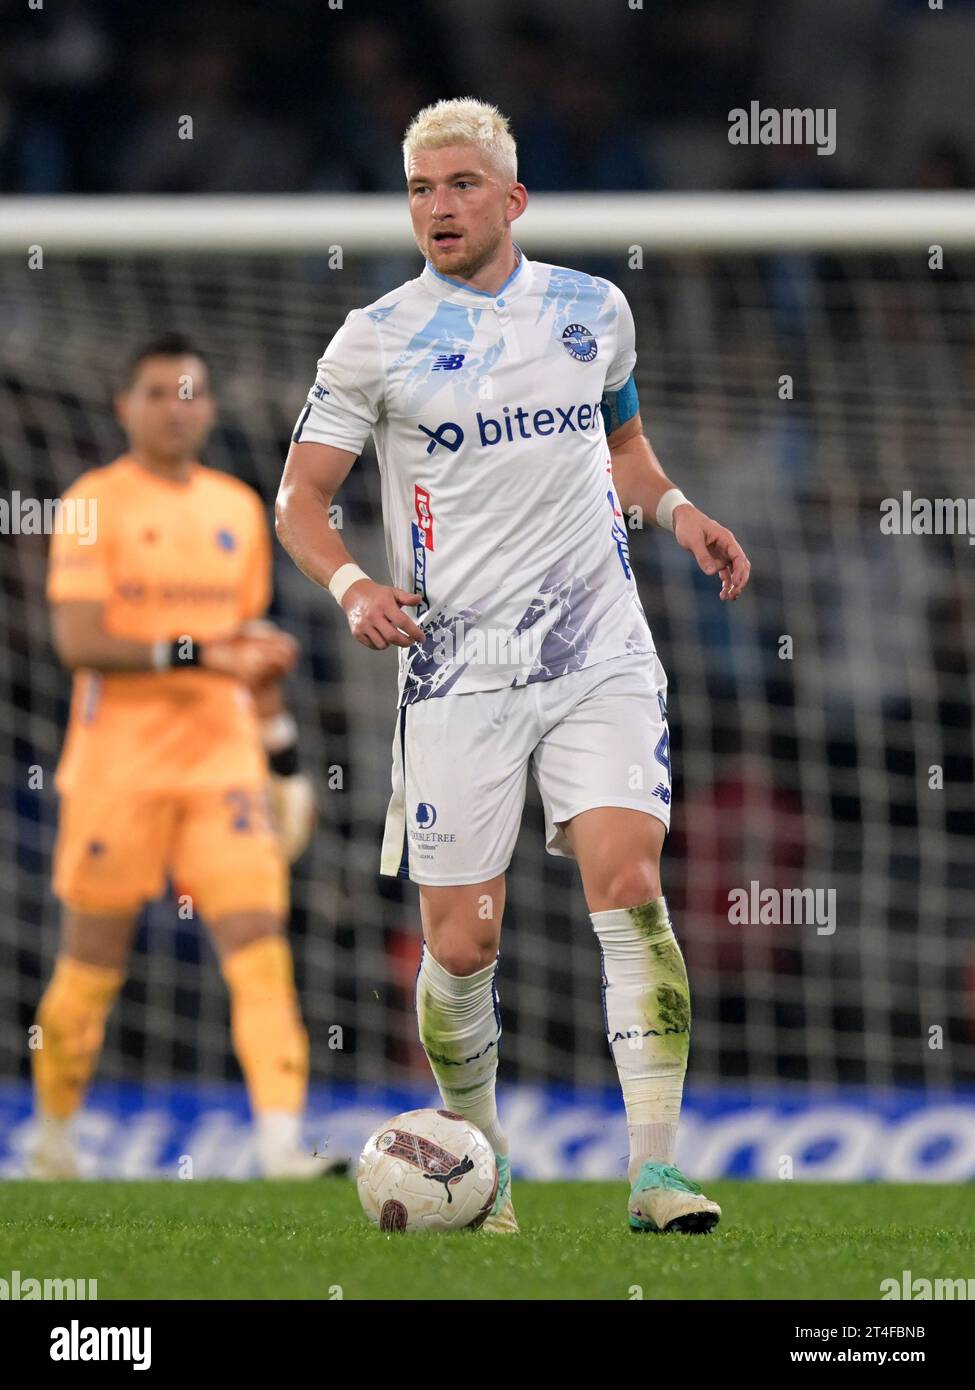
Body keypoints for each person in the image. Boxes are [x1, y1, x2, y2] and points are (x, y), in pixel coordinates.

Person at [276, 99, 750, 1232]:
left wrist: (678, 513)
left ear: (512, 198)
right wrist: (352, 587)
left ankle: (655, 1174)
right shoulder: (376, 335)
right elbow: (299, 497)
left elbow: (623, 442)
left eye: (459, 185)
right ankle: (475, 1166)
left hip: (598, 646)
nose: (438, 207)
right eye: (421, 191)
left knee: (630, 889)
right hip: (456, 668)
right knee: (462, 940)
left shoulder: (594, 310)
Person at [31, 333, 329, 1180]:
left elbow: (250, 656)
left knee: (258, 945)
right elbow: (79, 640)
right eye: (157, 392)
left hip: (220, 766)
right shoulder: (91, 501)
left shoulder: (238, 507)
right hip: (116, 770)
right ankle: (54, 1133)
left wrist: (284, 762)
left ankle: (281, 1145)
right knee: (89, 966)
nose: (175, 408)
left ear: (211, 406)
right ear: (125, 406)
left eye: (190, 392)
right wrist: (200, 652)